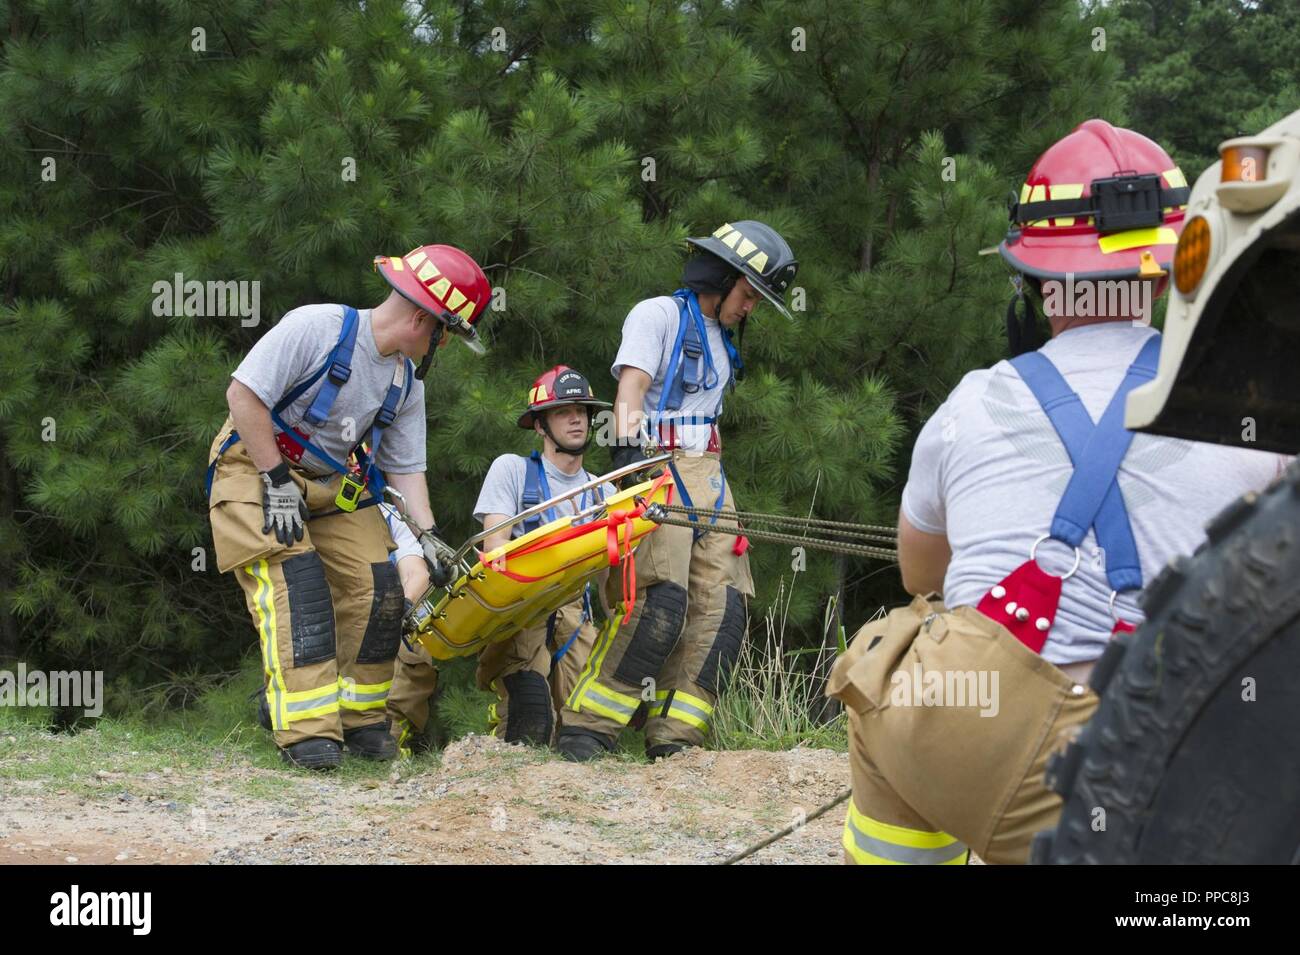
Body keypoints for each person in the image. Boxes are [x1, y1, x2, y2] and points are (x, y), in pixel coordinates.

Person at [827, 120, 1288, 863]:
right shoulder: (1252, 402)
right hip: (1171, 764)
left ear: (1038, 287)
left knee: (891, 653)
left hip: (978, 738)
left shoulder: (970, 403)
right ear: (1170, 274)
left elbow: (921, 579)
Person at [206, 244, 490, 769]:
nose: (442, 344)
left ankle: (360, 723)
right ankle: (307, 734)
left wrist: (428, 539)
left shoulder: (406, 384)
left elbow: (406, 471)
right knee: (297, 584)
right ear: (421, 319)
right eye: (444, 331)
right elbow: (243, 397)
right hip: (253, 462)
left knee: (379, 588)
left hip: (329, 483)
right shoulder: (318, 327)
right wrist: (275, 480)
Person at [557, 220, 798, 762]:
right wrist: (626, 457)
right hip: (656, 465)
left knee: (724, 605)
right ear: (725, 275)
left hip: (709, 472)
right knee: (660, 599)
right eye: (749, 293)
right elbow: (633, 387)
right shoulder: (659, 314)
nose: (750, 308)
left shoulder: (719, 337)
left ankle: (676, 736)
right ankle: (587, 729)